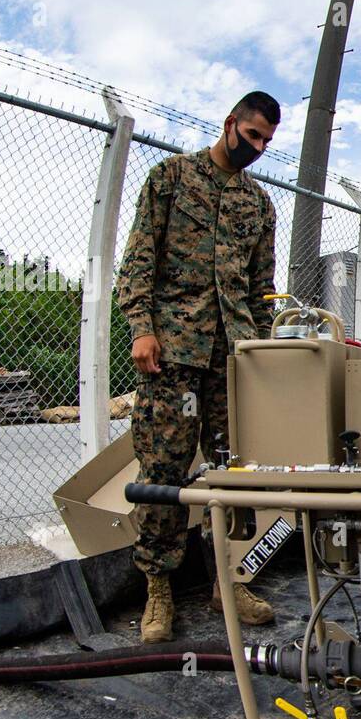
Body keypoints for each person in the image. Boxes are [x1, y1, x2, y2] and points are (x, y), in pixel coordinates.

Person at [115, 91, 282, 643]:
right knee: (163, 470)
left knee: (233, 472)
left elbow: (261, 290)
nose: (257, 148)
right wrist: (141, 326)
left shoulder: (259, 206)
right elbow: (139, 257)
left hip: (230, 359)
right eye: (252, 135)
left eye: (266, 142)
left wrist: (259, 351)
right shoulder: (171, 178)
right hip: (172, 355)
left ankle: (230, 580)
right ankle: (158, 590)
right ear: (230, 123)